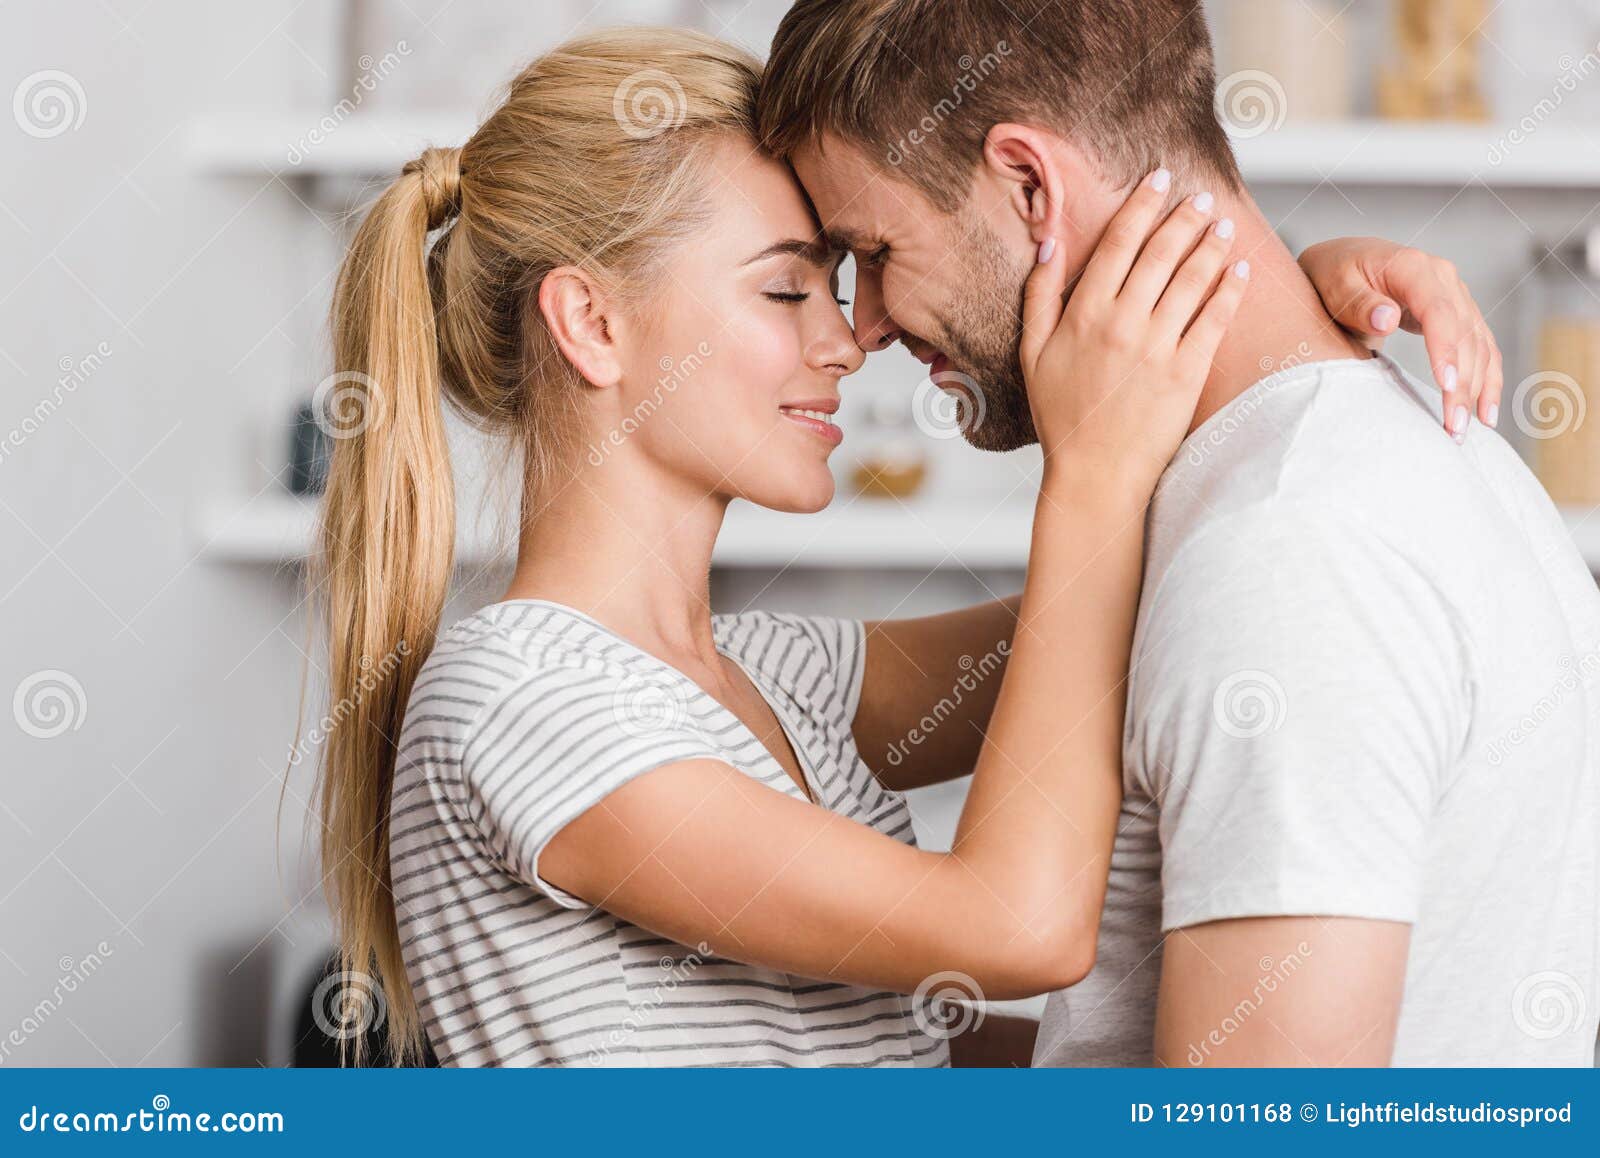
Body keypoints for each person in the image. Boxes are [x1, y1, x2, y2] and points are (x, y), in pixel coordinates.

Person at [312, 27, 1506, 1068]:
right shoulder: (517, 698)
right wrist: (1086, 473)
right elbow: (1016, 928)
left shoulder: (782, 676)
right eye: (788, 295)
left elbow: (1153, 595)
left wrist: (1278, 317)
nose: (849, 339)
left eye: (846, 279)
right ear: (591, 322)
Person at [758, 0, 1600, 1067]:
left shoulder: (1288, 558)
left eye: (873, 250)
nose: (864, 323)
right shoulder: (1381, 459)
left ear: (1028, 185)